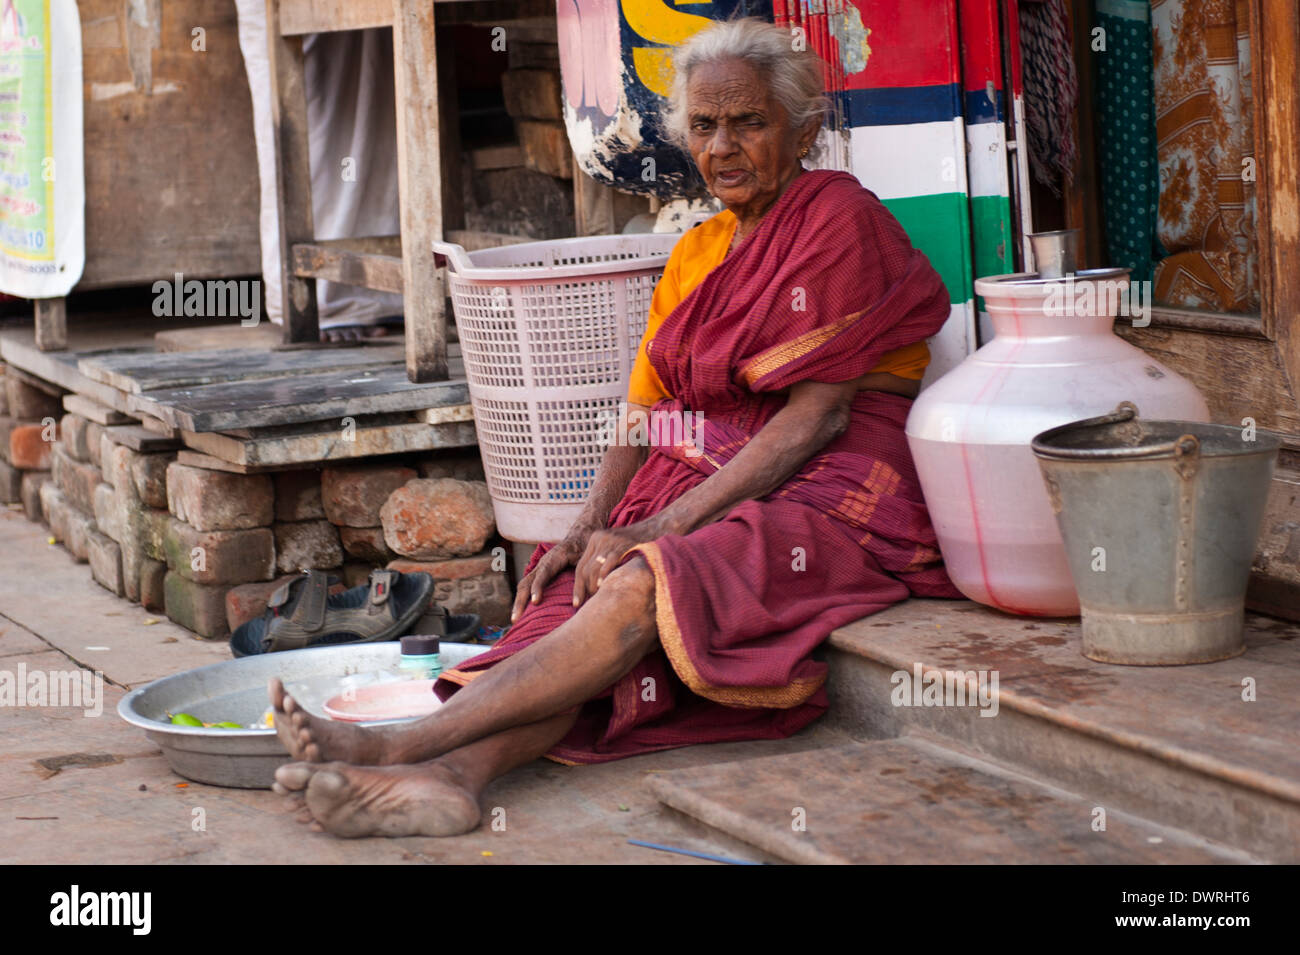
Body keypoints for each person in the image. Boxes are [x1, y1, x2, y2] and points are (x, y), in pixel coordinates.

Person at [270, 17, 959, 838]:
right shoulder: (698, 249)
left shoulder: (838, 219)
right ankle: (453, 778)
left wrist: (659, 526)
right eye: (705, 126)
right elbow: (642, 409)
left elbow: (818, 416)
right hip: (713, 472)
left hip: (835, 490)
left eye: (749, 121)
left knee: (647, 577)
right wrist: (591, 521)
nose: (725, 145)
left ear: (803, 128)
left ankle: (397, 744)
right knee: (570, 600)